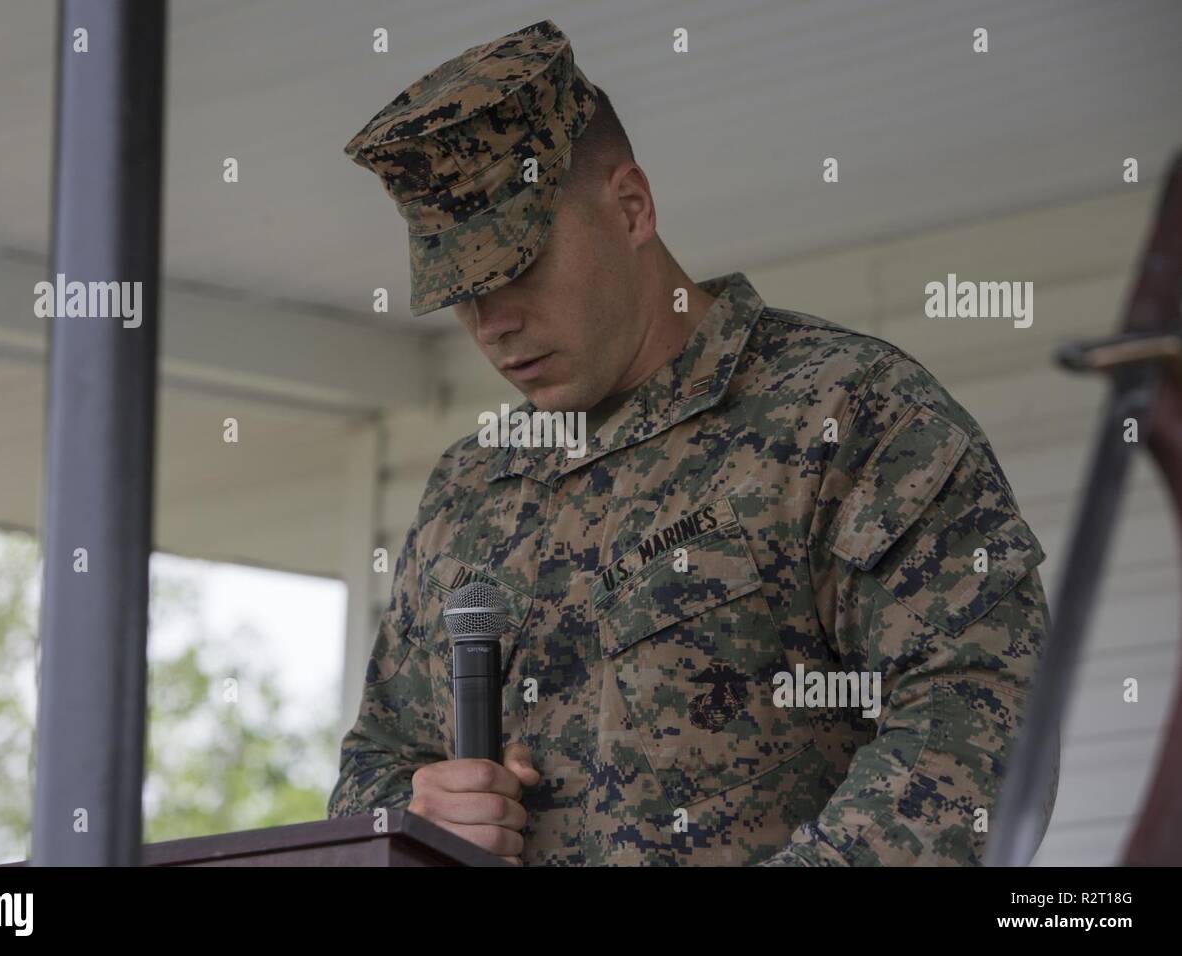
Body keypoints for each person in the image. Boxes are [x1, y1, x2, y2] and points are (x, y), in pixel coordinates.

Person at [328, 19, 1055, 865]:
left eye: (517, 269)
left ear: (631, 208)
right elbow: (375, 768)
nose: (492, 324)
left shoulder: (849, 416)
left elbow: (985, 718)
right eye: (463, 293)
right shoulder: (470, 493)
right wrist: (418, 816)